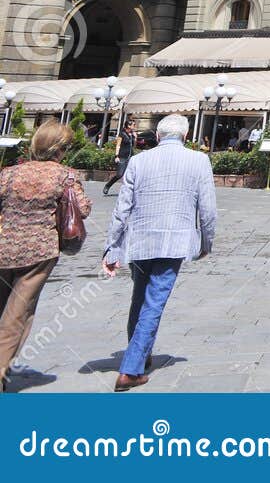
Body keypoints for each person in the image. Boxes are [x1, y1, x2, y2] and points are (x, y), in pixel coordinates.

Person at [102, 114, 217, 392]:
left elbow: (122, 209)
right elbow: (208, 210)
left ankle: (140, 353)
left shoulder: (139, 161)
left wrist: (111, 247)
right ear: (186, 136)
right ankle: (130, 369)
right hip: (174, 242)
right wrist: (206, 243)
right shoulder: (199, 160)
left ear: (157, 136)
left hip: (140, 242)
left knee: (139, 298)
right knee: (154, 302)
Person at [0, 120, 92, 392]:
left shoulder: (9, 173)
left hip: (4, 246)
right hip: (39, 252)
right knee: (18, 313)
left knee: (7, 308)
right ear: (60, 149)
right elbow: (82, 210)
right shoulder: (65, 176)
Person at [105, 119, 137, 195]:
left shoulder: (132, 135)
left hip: (130, 157)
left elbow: (134, 146)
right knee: (120, 174)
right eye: (133, 125)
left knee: (131, 174)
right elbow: (118, 145)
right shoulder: (122, 134)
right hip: (122, 157)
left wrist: (135, 138)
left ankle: (128, 191)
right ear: (128, 126)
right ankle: (108, 185)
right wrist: (116, 156)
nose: (134, 126)